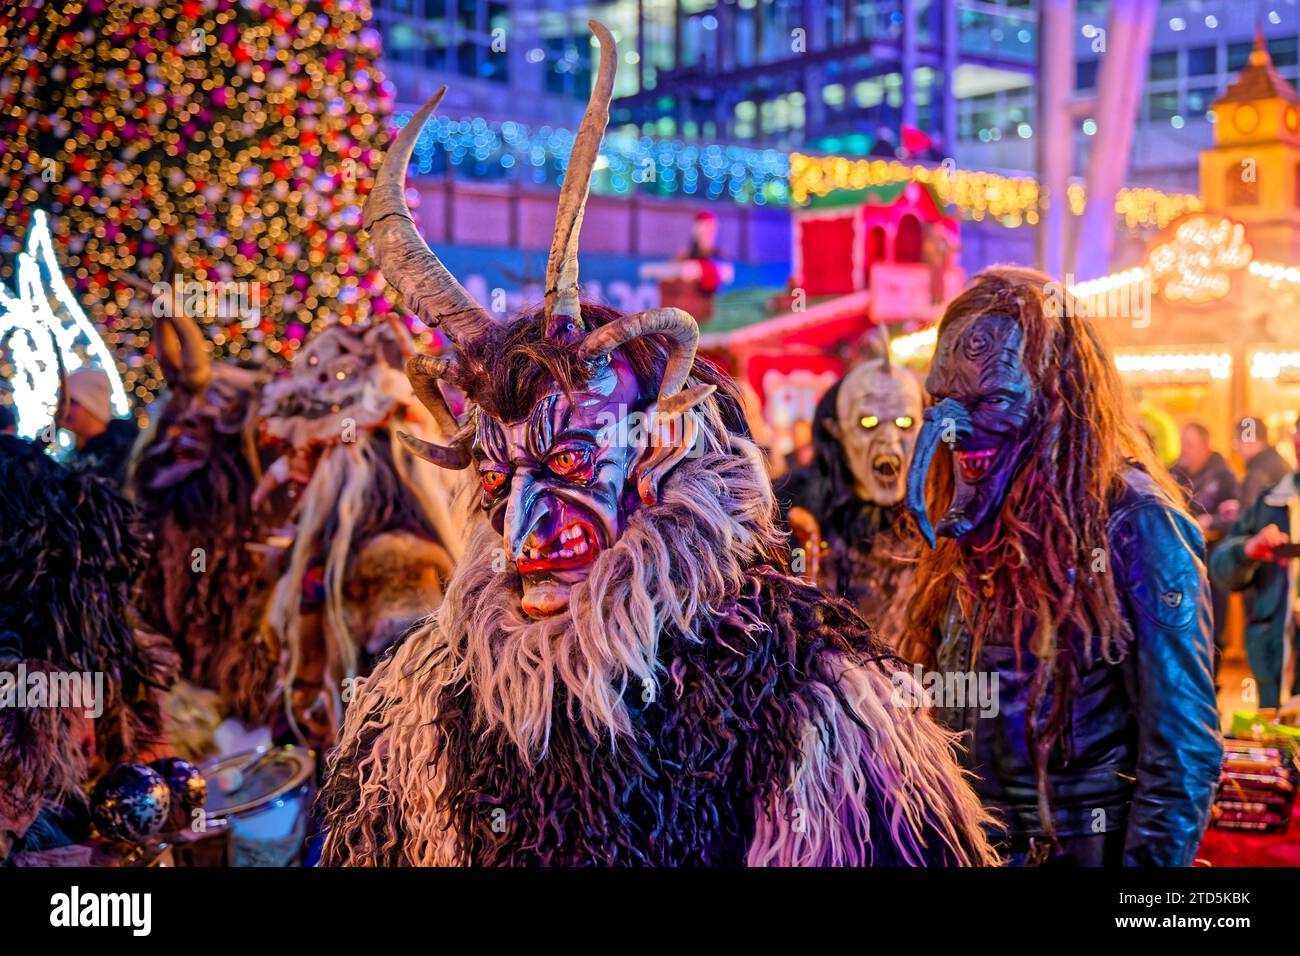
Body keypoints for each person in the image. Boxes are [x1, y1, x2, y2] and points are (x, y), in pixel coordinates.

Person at [316, 22, 998, 867]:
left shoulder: (806, 699)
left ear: (658, 453)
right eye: (497, 480)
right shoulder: (423, 706)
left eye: (569, 463)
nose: (525, 531)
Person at [901, 267, 1222, 866]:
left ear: (1059, 393)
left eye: (992, 398)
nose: (957, 427)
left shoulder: (1135, 523)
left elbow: (1182, 752)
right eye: (942, 401)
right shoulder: (972, 522)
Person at [778, 355, 925, 644]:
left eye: (905, 422)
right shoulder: (791, 508)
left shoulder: (937, 513)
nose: (890, 442)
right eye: (869, 422)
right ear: (837, 430)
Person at [1211, 414, 1300, 710]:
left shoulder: (1259, 472)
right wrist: (1248, 549)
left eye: (1240, 439)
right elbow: (1224, 567)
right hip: (1272, 660)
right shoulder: (1272, 498)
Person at [1170, 421, 1239, 670]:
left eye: (1190, 445)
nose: (1184, 450)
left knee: (1211, 628)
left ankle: (1212, 687)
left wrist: (1211, 521)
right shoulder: (1174, 473)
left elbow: (1235, 516)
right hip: (1181, 565)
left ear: (1205, 446)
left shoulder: (1224, 475)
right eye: (1183, 445)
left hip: (1213, 565)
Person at [60, 367, 136, 485]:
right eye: (63, 402)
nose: (64, 409)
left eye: (72, 402)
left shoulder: (121, 453)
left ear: (91, 405)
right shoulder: (77, 456)